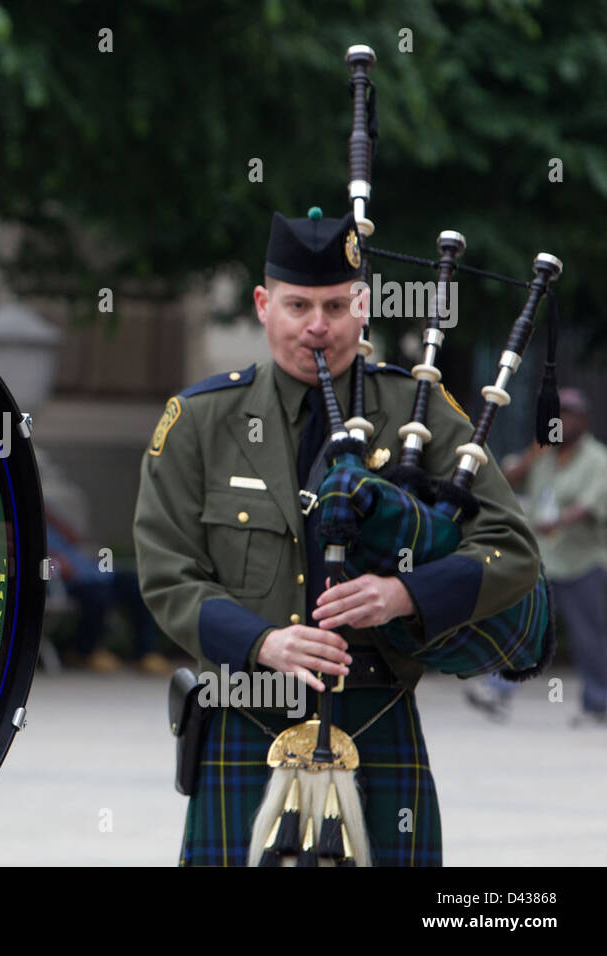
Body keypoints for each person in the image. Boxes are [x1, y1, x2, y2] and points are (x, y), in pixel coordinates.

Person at [133, 208, 542, 866]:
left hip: (378, 718)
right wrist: (262, 641)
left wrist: (404, 593)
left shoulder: (421, 411)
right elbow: (167, 573)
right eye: (297, 305)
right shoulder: (199, 421)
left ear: (363, 307)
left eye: (334, 305)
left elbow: (513, 550)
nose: (315, 326)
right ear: (265, 306)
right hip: (248, 714)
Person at [489, 388, 607, 726]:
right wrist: (530, 457)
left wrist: (554, 522)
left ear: (582, 421)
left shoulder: (597, 459)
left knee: (587, 637)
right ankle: (497, 690)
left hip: (583, 562)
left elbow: (588, 505)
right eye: (558, 415)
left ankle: (597, 703)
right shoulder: (543, 453)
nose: (563, 421)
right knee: (526, 625)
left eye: (570, 415)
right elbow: (502, 480)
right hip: (546, 561)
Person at [45, 503, 169, 674]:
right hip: (65, 580)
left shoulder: (51, 523)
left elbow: (76, 539)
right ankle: (84, 651)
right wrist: (56, 564)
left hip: (90, 572)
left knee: (134, 584)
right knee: (98, 595)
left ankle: (146, 652)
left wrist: (50, 516)